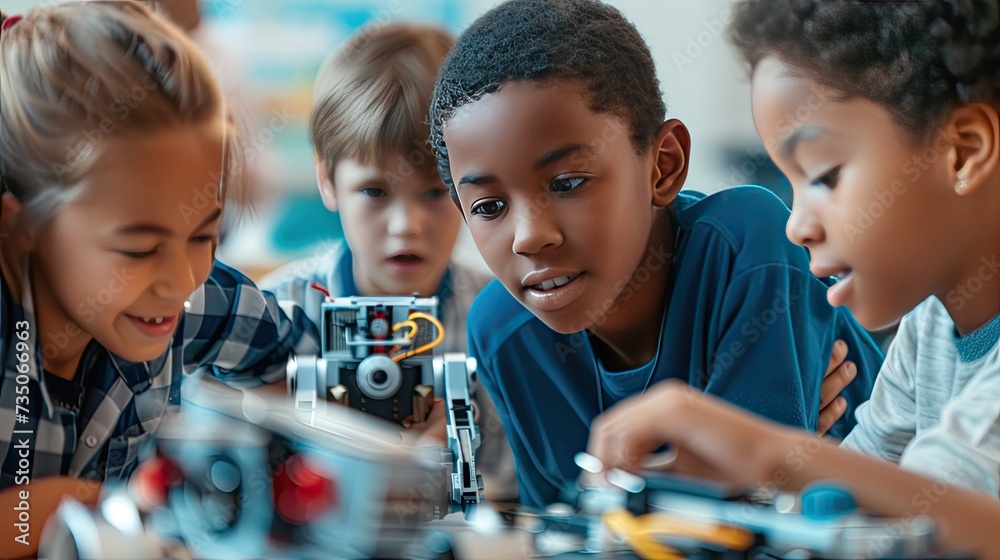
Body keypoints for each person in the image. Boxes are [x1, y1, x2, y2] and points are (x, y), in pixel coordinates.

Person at [427, 0, 883, 508]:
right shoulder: (504, 333)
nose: (528, 237)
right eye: (489, 206)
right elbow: (564, 533)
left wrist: (634, 492)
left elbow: (745, 519)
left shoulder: (744, 245)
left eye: (568, 182)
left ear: (663, 166)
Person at [588, 0, 1000, 555]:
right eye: (792, 182)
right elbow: (858, 494)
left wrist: (765, 452)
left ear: (963, 151)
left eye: (824, 176)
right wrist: (740, 485)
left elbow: (967, 523)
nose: (798, 225)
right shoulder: (931, 326)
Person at [0, 3, 317, 556]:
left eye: (203, 235)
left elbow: (306, 377)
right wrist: (80, 503)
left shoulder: (196, 302)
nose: (179, 282)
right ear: (20, 222)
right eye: (139, 248)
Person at [258, 24, 516, 501]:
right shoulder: (272, 317)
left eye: (437, 191)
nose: (406, 226)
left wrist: (458, 460)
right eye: (375, 192)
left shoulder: (502, 322)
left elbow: (523, 492)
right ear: (327, 180)